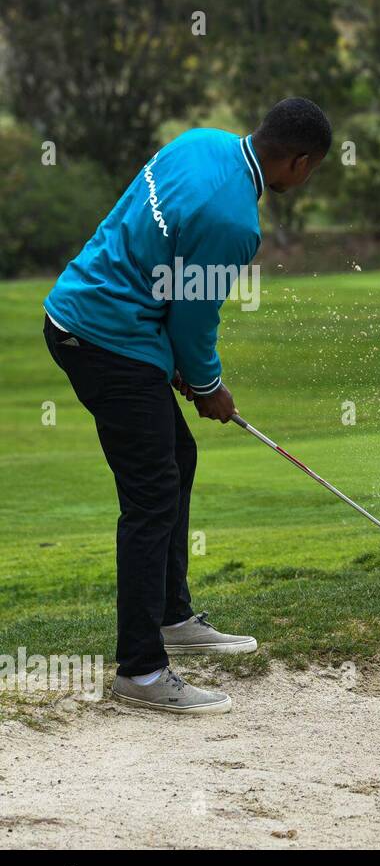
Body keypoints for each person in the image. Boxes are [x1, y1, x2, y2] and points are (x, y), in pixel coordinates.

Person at [42, 97, 332, 714]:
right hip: (105, 338)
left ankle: (171, 616)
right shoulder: (235, 221)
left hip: (88, 313)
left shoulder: (201, 142)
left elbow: (157, 256)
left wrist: (177, 364)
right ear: (299, 163)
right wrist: (208, 386)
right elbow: (197, 318)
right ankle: (141, 671)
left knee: (177, 456)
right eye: (311, 171)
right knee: (150, 498)